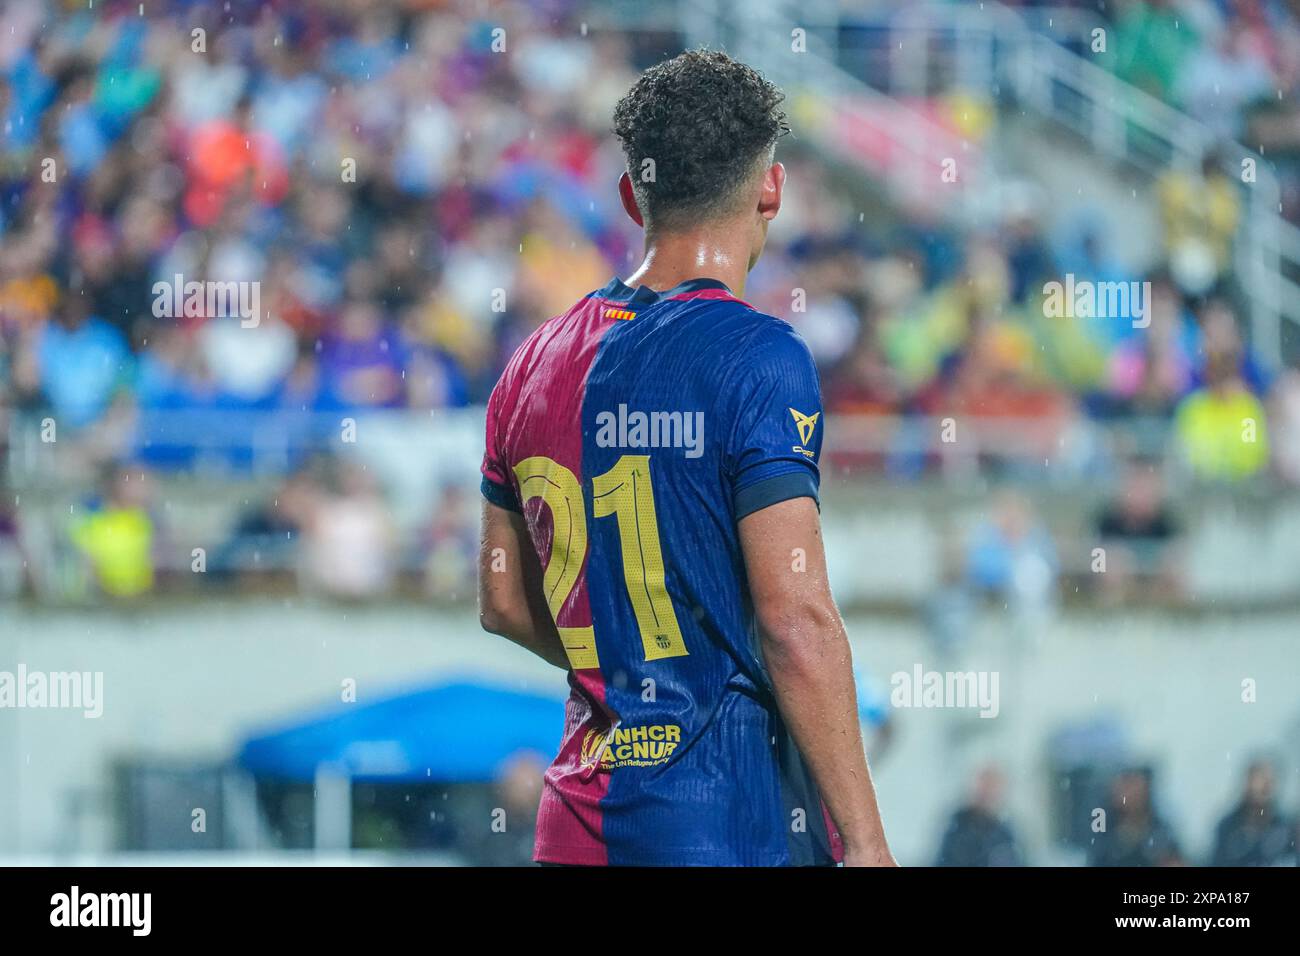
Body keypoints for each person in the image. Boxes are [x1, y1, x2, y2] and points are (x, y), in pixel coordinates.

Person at [477, 51, 894, 867]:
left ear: (634, 197)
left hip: (573, 821)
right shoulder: (757, 355)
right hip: (718, 820)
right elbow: (795, 620)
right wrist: (869, 845)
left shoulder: (528, 365)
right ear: (771, 188)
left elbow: (501, 601)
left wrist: (631, 663)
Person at [1211, 758, 1296, 866]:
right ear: (1247, 783)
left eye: (1269, 781)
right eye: (1259, 779)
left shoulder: (1286, 828)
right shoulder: (1228, 827)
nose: (1265, 785)